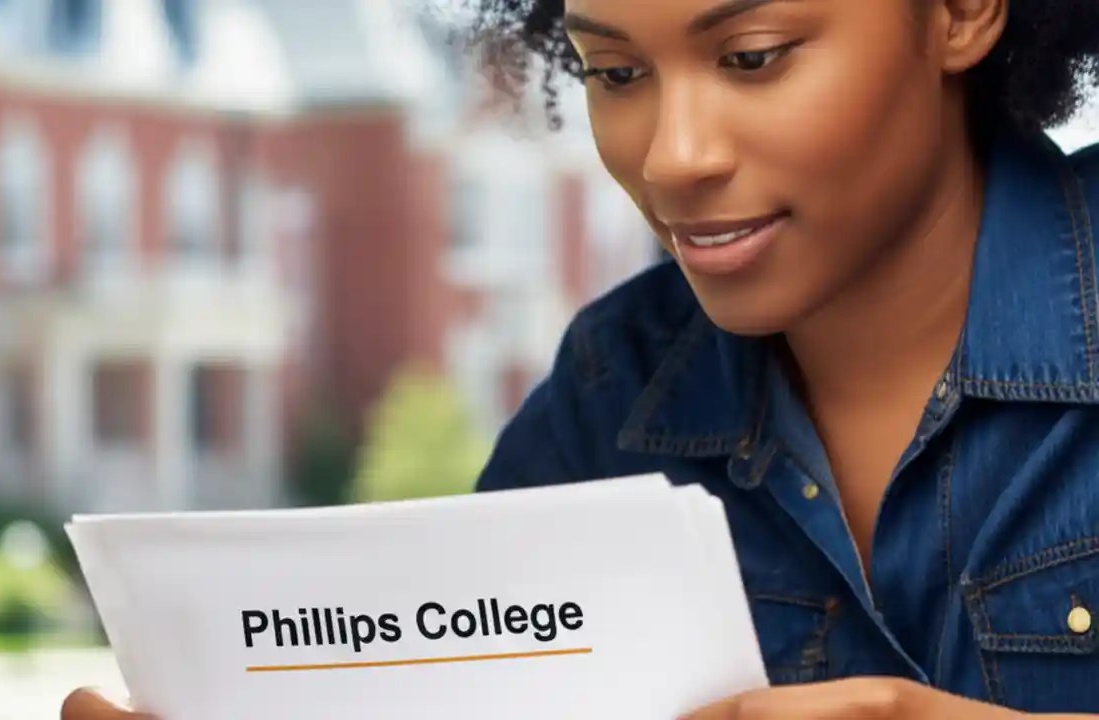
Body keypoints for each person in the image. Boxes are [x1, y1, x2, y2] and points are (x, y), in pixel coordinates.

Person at [63, 0, 1099, 717]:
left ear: (960, 11)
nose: (671, 156)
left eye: (750, 56)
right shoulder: (610, 393)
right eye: (615, 72)